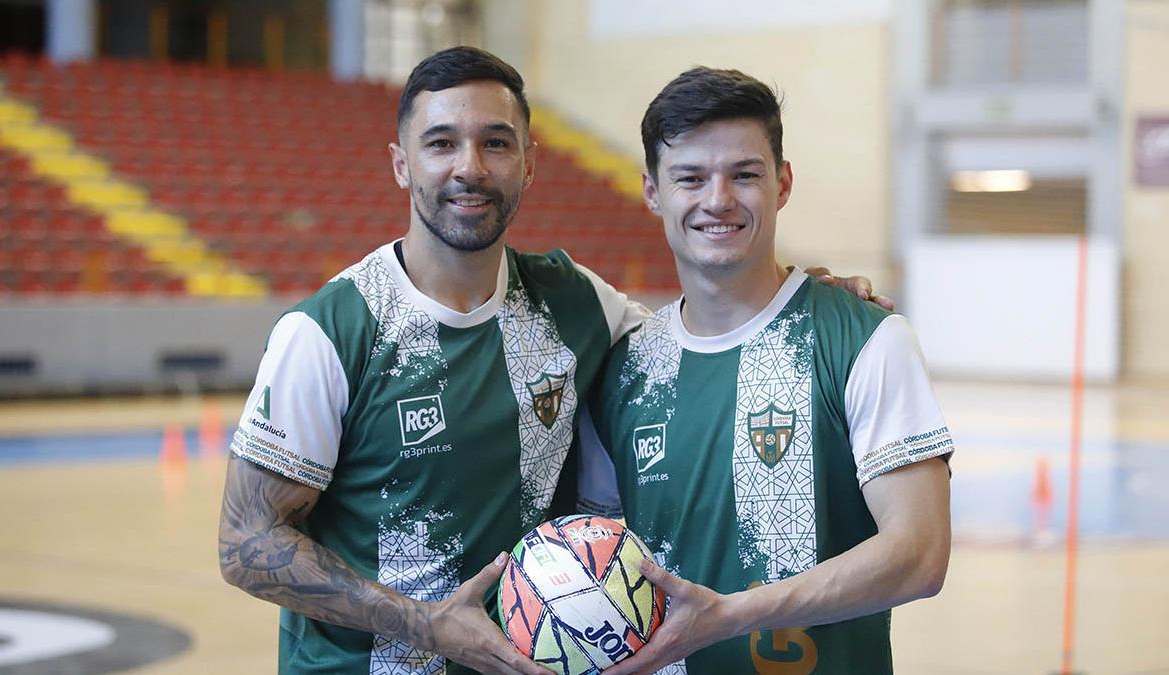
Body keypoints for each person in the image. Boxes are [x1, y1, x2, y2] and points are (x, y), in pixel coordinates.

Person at [218, 46, 882, 674]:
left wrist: (801, 298)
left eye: (496, 142)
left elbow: (710, 329)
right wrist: (428, 625)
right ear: (401, 164)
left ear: (529, 163)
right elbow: (244, 542)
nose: (471, 167)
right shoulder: (331, 331)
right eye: (441, 142)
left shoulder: (575, 303)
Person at [580, 67, 953, 675]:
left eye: (744, 174)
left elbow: (921, 554)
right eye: (690, 178)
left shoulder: (864, 340)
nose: (718, 200)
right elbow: (579, 548)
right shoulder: (625, 370)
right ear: (652, 191)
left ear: (782, 183)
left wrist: (731, 615)